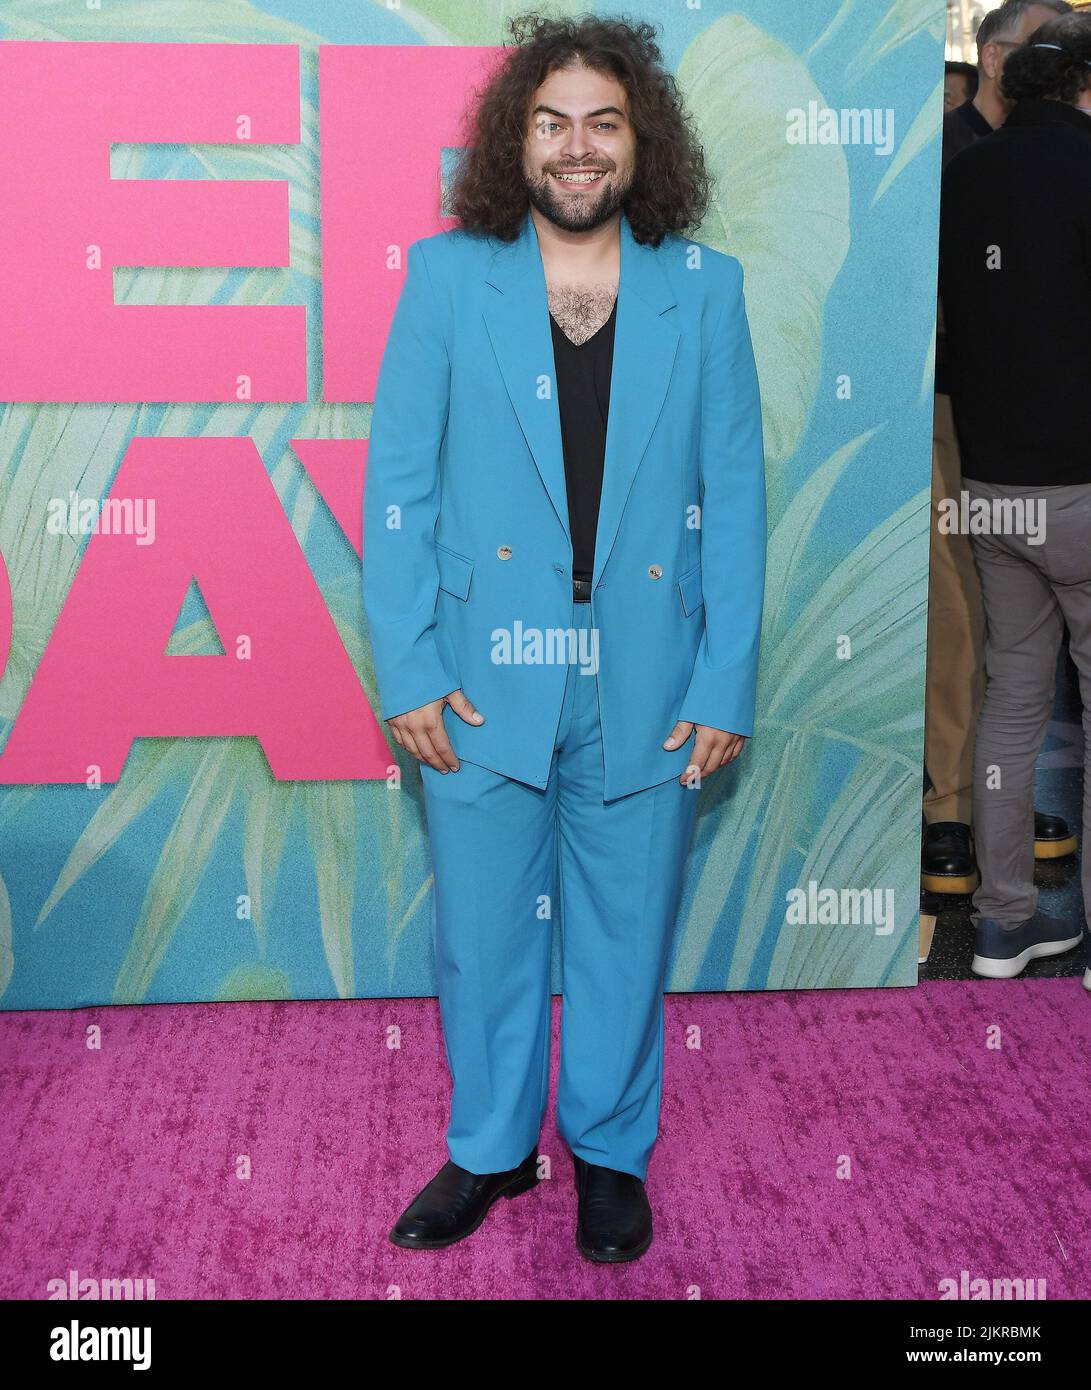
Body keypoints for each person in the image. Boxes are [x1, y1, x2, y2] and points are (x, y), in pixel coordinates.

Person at [362, 12, 766, 1260]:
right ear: (516, 140)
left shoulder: (705, 293)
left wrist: (723, 681)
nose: (576, 148)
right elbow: (398, 490)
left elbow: (737, 500)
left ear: (639, 144)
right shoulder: (444, 278)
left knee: (622, 929)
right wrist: (411, 664)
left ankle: (606, 1152)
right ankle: (488, 1151)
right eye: (552, 124)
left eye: (602, 123)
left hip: (647, 678)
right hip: (482, 681)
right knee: (479, 935)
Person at [938, 9, 1091, 984]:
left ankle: (1000, 923)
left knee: (1009, 699)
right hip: (1080, 485)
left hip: (992, 487)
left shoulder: (963, 177)